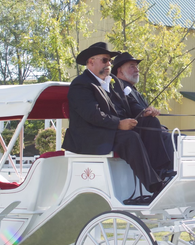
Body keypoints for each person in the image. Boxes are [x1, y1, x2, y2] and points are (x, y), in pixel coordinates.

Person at [62, 42, 166, 195]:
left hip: (113, 131)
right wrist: (118, 124)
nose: (109, 63)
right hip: (92, 135)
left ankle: (162, 172)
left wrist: (143, 112)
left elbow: (130, 103)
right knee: (130, 137)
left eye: (110, 60)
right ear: (91, 62)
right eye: (105, 60)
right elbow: (92, 114)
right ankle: (154, 186)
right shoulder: (81, 84)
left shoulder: (114, 81)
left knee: (151, 123)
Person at [110, 52, 175, 178]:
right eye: (132, 66)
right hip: (129, 131)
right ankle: (160, 171)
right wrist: (145, 112)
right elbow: (132, 106)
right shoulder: (118, 86)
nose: (137, 69)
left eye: (137, 66)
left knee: (175, 137)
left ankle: (175, 170)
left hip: (142, 130)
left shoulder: (134, 90)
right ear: (120, 71)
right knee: (156, 127)